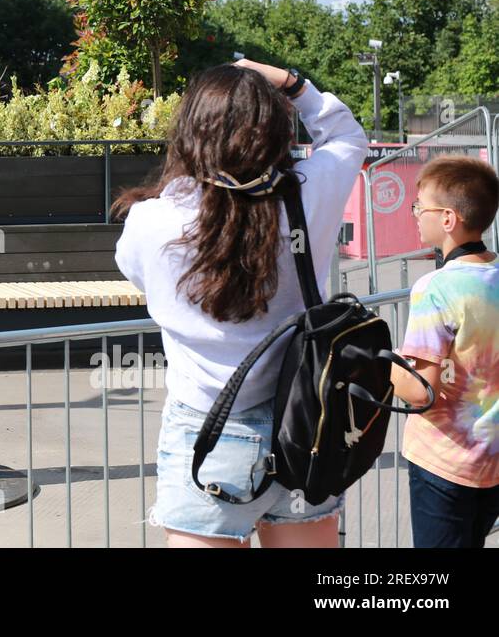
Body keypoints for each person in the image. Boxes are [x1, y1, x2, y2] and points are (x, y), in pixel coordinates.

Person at [114, 59, 368, 547]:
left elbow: (138, 272)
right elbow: (347, 137)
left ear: (190, 132)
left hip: (207, 432)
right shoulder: (306, 195)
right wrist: (293, 83)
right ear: (274, 131)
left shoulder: (151, 222)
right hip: (305, 429)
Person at [390, 155, 499, 547]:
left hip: (444, 460)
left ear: (448, 218)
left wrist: (378, 363)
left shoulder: (435, 287)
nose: (416, 215)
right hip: (491, 460)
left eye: (421, 207)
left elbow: (421, 390)